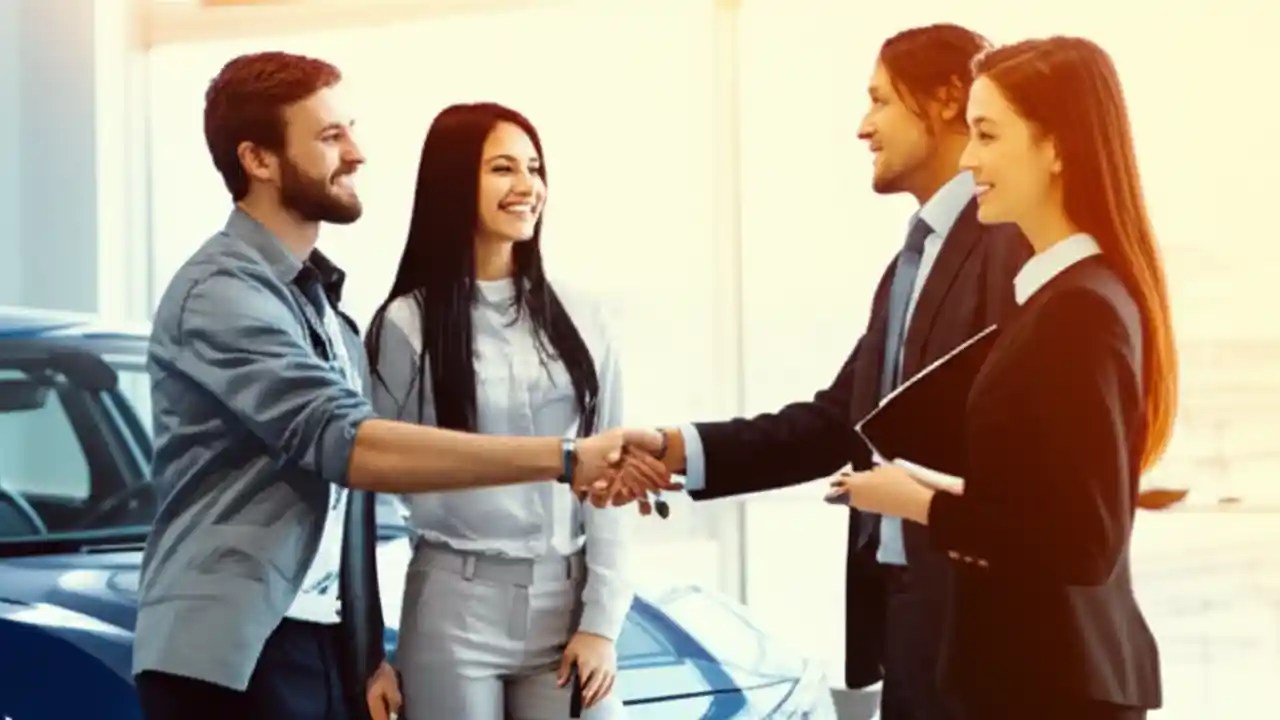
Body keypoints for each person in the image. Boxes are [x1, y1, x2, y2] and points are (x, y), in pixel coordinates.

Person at [132, 52, 675, 720]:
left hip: (314, 640)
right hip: (234, 650)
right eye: (331, 136)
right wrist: (565, 458)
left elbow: (344, 507)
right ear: (259, 160)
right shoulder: (224, 294)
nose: (357, 154)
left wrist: (362, 654)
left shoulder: (321, 306)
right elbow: (352, 449)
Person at [603, 23, 1030, 720]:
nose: (864, 127)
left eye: (880, 101)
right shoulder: (908, 268)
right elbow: (838, 424)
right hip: (909, 617)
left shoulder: (1008, 246)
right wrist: (675, 447)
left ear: (949, 100)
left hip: (984, 629)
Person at [830, 35, 1175, 719]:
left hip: (1054, 687)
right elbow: (1039, 499)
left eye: (987, 136)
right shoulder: (1050, 298)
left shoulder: (1081, 309)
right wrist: (933, 482)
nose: (968, 159)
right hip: (1027, 679)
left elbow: (1085, 542)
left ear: (1056, 148)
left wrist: (919, 504)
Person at [365, 102, 633, 719]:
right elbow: (365, 485)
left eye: (535, 168)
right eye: (503, 168)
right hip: (449, 612)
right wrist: (369, 650)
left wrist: (602, 624)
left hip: (564, 604)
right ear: (457, 182)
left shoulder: (583, 315)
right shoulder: (406, 325)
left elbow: (613, 477)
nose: (527, 187)